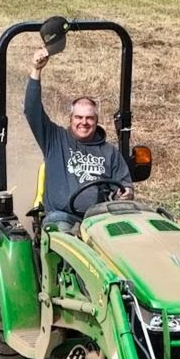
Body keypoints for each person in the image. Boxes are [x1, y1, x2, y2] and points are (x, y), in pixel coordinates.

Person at [25, 47, 133, 233]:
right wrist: (36, 71)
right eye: (78, 117)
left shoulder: (109, 152)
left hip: (100, 220)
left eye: (89, 118)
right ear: (70, 119)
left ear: (96, 121)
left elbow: (125, 185)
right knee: (65, 239)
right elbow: (31, 110)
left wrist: (126, 193)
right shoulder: (54, 139)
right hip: (61, 218)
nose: (84, 122)